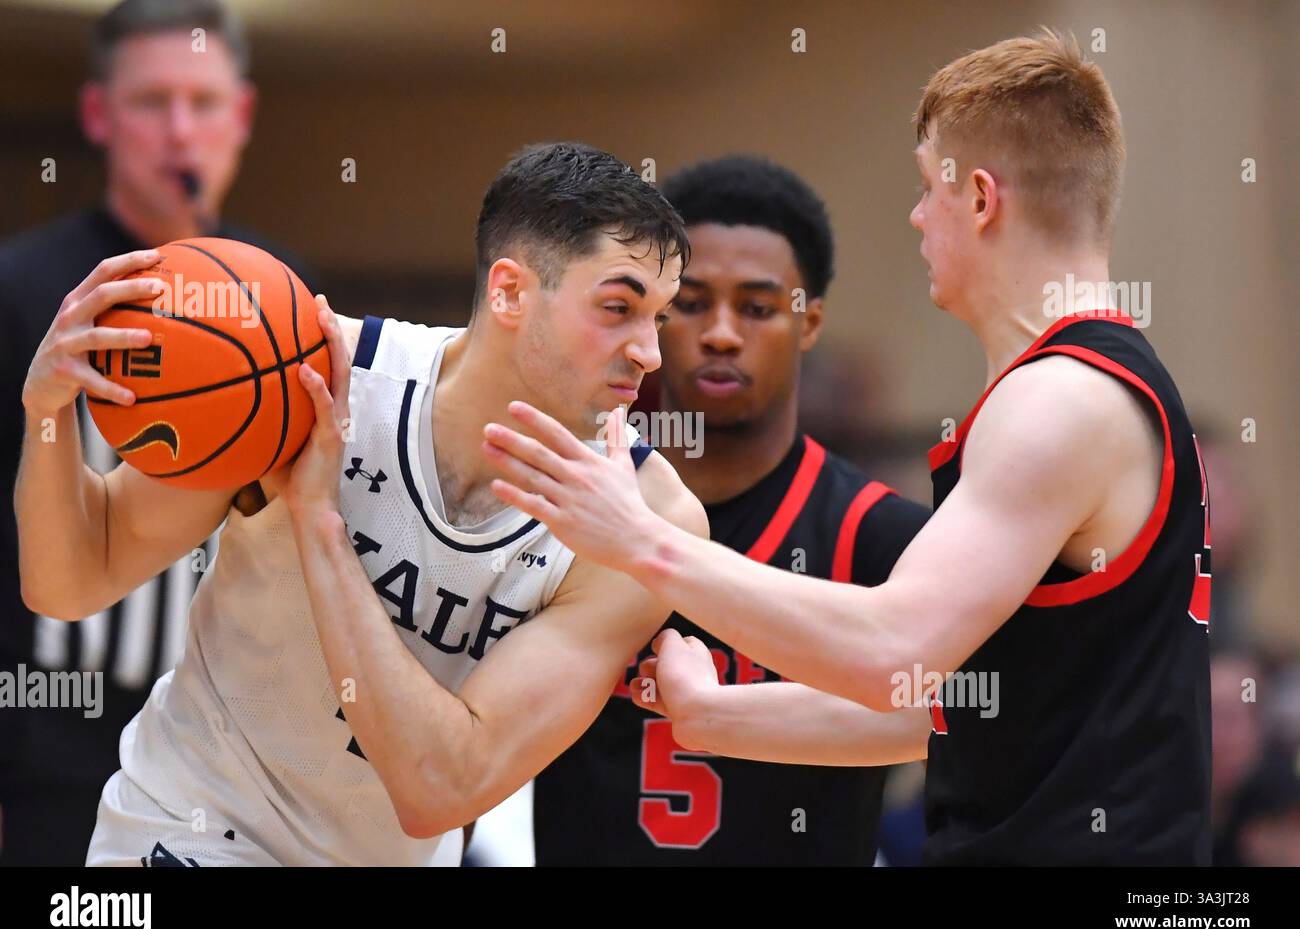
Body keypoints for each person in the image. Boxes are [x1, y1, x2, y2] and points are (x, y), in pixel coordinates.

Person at [485, 31, 1214, 865]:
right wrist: (714, 714)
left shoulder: (1059, 400)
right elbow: (943, 702)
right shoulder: (1093, 388)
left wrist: (640, 539)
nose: (914, 217)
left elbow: (889, 650)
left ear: (979, 199)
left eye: (924, 188)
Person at [17, 142, 705, 866]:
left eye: (659, 316)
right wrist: (46, 411)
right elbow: (73, 580)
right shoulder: (300, 374)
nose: (649, 353)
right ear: (508, 292)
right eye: (619, 307)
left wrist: (320, 524)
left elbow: (441, 787)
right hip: (190, 827)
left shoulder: (649, 521)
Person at [533, 155, 930, 865]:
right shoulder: (564, 501)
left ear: (809, 324)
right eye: (691, 302)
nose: (721, 333)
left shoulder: (880, 535)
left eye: (756, 307)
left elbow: (974, 715)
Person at [0, 0, 309, 866]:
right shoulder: (20, 290)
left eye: (204, 103)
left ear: (241, 116)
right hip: (52, 730)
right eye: (152, 102)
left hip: (221, 742)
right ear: (98, 115)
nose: (182, 131)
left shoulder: (279, 294)